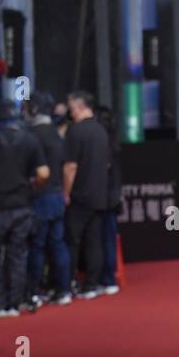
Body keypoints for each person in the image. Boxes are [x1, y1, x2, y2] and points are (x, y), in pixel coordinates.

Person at [0, 98, 49, 318]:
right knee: (18, 255)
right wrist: (31, 187)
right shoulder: (31, 140)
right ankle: (15, 303)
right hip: (23, 205)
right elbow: (44, 173)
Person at [62, 90, 111, 299]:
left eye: (71, 108)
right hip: (99, 194)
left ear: (81, 106)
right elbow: (107, 164)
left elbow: (70, 167)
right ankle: (92, 283)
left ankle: (69, 282)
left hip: (79, 195)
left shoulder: (75, 132)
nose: (69, 112)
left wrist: (66, 192)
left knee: (72, 241)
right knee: (94, 241)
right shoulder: (101, 131)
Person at [26, 92, 73, 307]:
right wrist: (65, 191)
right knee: (58, 243)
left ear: (33, 109)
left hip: (40, 196)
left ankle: (33, 292)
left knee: (37, 246)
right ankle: (63, 289)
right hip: (56, 195)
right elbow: (65, 167)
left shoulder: (32, 135)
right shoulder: (56, 134)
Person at [95, 103, 123, 295]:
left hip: (104, 197)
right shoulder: (113, 141)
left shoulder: (104, 144)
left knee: (104, 239)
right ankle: (108, 277)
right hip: (112, 196)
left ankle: (106, 278)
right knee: (109, 238)